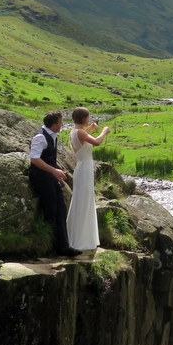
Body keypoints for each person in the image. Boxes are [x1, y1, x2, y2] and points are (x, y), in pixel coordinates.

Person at [29, 110, 80, 257]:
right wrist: (54, 170)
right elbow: (34, 159)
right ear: (53, 125)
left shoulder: (52, 135)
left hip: (49, 175)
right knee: (51, 209)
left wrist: (56, 171)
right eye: (60, 122)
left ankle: (63, 246)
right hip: (40, 177)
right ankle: (50, 244)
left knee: (61, 208)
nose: (62, 124)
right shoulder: (40, 137)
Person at [66, 107, 110, 251]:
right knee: (84, 201)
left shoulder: (74, 131)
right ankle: (82, 239)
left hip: (81, 166)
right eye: (88, 117)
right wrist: (104, 131)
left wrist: (90, 128)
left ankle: (78, 235)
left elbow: (83, 140)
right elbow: (96, 142)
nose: (89, 119)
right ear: (84, 118)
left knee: (82, 200)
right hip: (85, 168)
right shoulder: (80, 132)